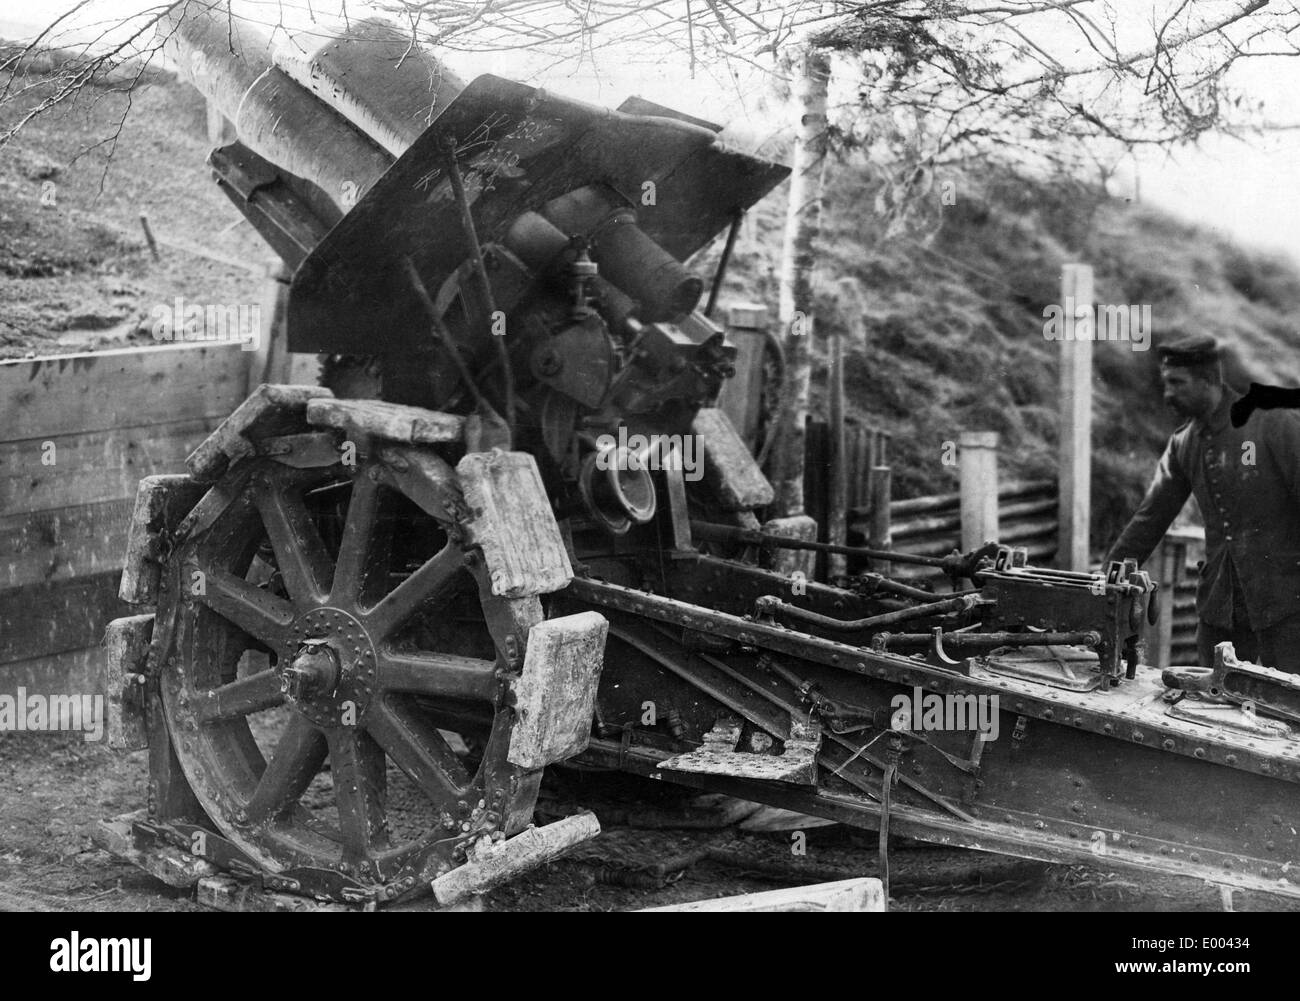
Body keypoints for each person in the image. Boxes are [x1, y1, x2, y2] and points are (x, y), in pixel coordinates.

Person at [1106, 334, 1300, 672]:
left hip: (1285, 604)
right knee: (1211, 704)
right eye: (1165, 384)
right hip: (1220, 607)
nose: (1168, 395)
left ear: (1209, 380)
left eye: (1177, 384)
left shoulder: (1272, 422)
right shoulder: (1184, 443)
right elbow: (1151, 516)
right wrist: (1107, 578)